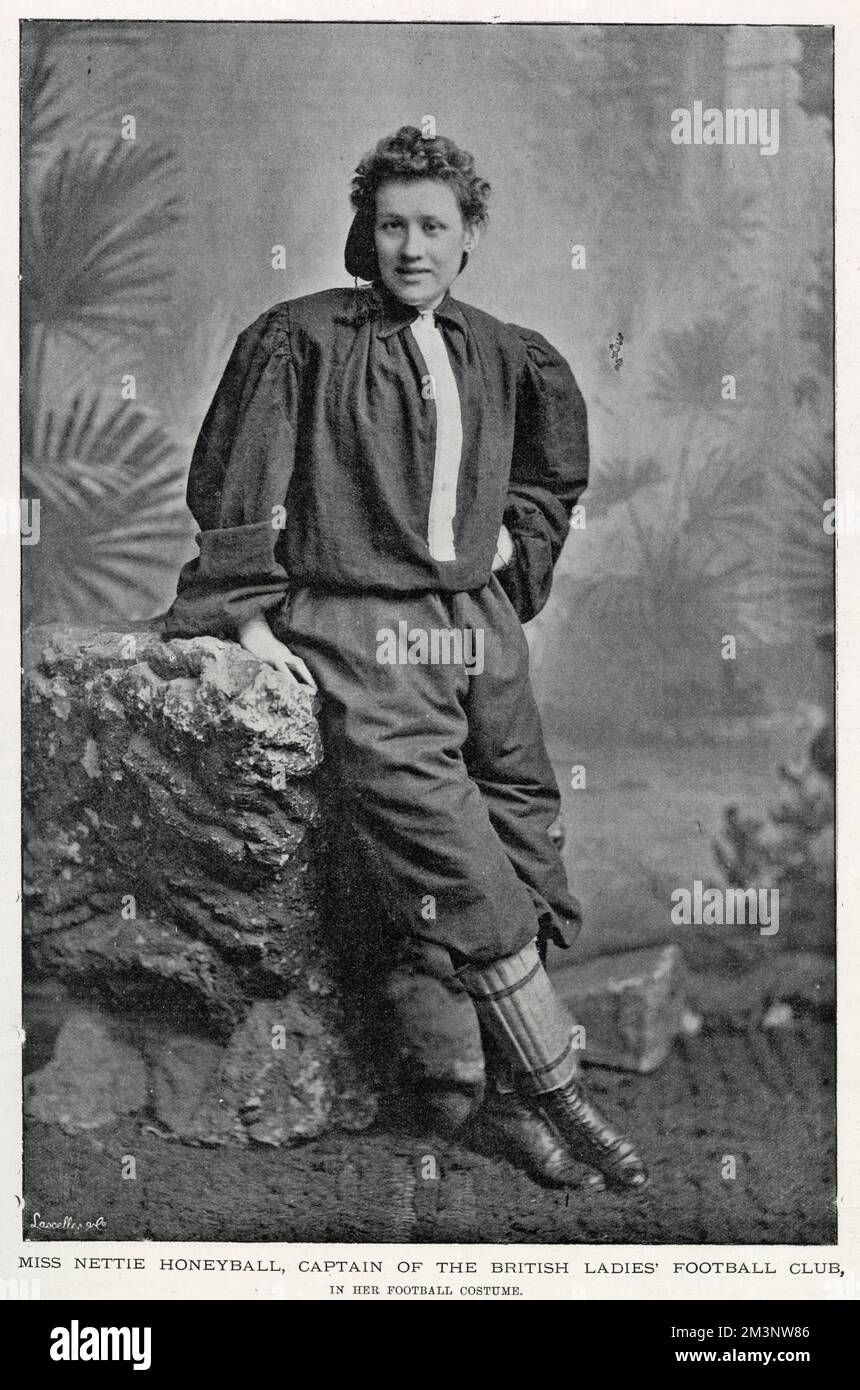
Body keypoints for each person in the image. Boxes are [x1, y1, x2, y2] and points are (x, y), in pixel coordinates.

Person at [162, 125, 648, 1192]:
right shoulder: (301, 340)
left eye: (433, 226)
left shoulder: (499, 347)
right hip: (359, 629)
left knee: (518, 815)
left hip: (475, 628)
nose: (410, 247)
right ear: (363, 231)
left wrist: (509, 546)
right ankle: (558, 1095)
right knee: (452, 857)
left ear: (469, 234)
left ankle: (492, 1095)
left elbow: (547, 478)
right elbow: (238, 490)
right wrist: (249, 623)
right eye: (391, 225)